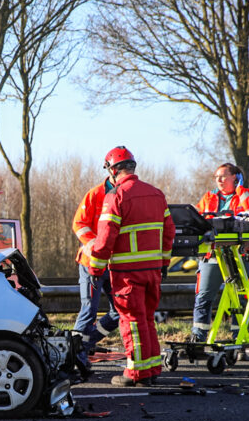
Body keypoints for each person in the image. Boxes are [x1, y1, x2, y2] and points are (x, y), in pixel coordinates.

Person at [86, 147, 174, 387]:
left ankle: (136, 374)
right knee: (146, 320)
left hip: (127, 274)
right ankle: (152, 369)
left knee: (131, 321)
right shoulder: (157, 194)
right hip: (153, 271)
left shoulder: (115, 196)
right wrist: (164, 262)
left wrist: (95, 269)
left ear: (113, 170)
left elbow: (104, 240)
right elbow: (169, 232)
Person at [190, 162, 249, 342]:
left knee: (240, 299)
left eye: (223, 176)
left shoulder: (246, 195)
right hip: (212, 254)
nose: (219, 180)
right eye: (216, 177)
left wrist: (241, 191)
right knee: (203, 296)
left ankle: (240, 337)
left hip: (240, 254)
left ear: (235, 178)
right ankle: (198, 338)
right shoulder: (209, 197)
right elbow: (196, 220)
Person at [72, 173, 119, 360]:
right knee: (89, 309)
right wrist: (96, 246)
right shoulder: (95, 194)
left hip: (114, 264)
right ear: (111, 171)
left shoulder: (125, 194)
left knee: (119, 311)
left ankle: (86, 343)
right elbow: (79, 223)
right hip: (91, 263)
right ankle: (73, 355)